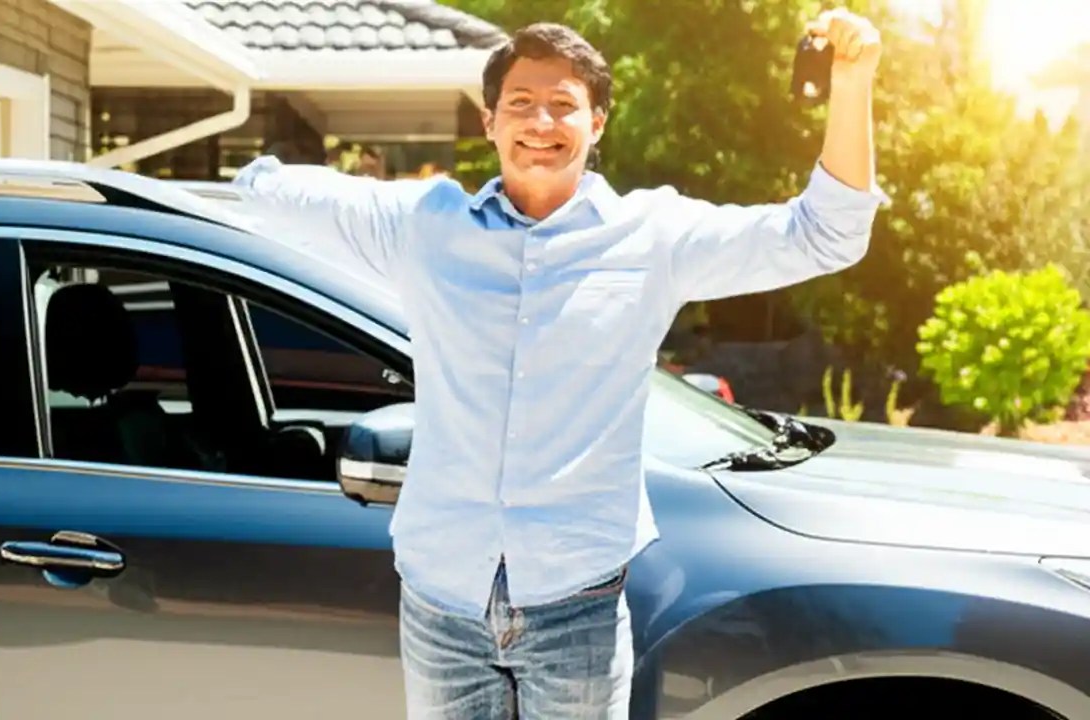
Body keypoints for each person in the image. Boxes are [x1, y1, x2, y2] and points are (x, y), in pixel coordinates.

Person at [231, 9, 886, 718]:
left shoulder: (654, 238)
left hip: (577, 609)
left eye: (563, 105)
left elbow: (826, 234)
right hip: (441, 601)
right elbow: (280, 195)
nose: (540, 122)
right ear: (489, 122)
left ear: (597, 123)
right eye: (520, 103)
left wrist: (851, 85)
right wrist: (250, 176)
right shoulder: (425, 226)